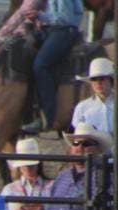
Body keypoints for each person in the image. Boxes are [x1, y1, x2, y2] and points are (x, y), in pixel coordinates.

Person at [22, 0, 84, 134]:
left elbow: (65, 18)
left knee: (41, 65)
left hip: (64, 30)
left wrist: (40, 15)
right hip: (54, 29)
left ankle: (47, 117)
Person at [71, 57, 115, 135]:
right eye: (94, 79)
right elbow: (77, 134)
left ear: (111, 80)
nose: (99, 83)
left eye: (102, 78)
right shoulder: (82, 107)